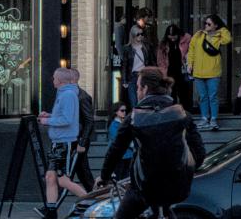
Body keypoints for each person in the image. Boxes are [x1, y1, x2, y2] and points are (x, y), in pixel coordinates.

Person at [97, 67, 205, 219]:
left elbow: (116, 151)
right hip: (177, 187)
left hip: (145, 188)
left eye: (138, 87)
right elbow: (199, 152)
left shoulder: (134, 117)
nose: (137, 92)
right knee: (165, 209)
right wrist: (184, 170)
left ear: (145, 88)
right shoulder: (181, 114)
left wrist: (104, 176)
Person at [37, 67, 82, 219]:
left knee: (63, 181)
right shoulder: (64, 93)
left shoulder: (68, 95)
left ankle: (92, 202)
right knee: (50, 177)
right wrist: (49, 115)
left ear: (60, 80)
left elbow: (67, 120)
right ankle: (51, 213)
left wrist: (47, 121)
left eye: (54, 78)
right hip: (58, 142)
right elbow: (64, 115)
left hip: (65, 142)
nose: (53, 80)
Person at [187, 14, 232, 130]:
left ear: (215, 25)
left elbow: (228, 39)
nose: (206, 26)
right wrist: (190, 64)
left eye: (209, 24)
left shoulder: (219, 36)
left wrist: (221, 29)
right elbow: (191, 50)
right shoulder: (198, 35)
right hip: (198, 72)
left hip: (213, 71)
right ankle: (204, 118)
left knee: (212, 96)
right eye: (205, 23)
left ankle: (213, 119)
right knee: (202, 96)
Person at [71, 68, 95, 193]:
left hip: (78, 139)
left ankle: (94, 197)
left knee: (80, 172)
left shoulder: (83, 97)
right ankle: (93, 196)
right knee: (81, 172)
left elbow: (89, 121)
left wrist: (82, 142)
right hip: (73, 139)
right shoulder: (70, 95)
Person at [157, 24, 192, 108]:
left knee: (184, 94)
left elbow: (191, 51)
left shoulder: (185, 40)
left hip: (182, 71)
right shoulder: (164, 44)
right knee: (171, 94)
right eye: (170, 36)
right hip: (169, 72)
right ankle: (173, 114)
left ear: (178, 34)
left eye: (174, 36)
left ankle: (186, 113)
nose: (172, 38)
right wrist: (163, 72)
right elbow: (160, 60)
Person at [121, 25, 156, 108]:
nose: (140, 36)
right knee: (133, 102)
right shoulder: (127, 49)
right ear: (133, 35)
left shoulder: (147, 47)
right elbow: (125, 66)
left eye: (142, 34)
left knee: (144, 101)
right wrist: (124, 80)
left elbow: (152, 62)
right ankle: (136, 119)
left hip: (144, 76)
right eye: (138, 34)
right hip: (132, 77)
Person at [106, 104, 134, 181]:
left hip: (128, 155)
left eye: (125, 110)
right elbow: (118, 139)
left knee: (126, 179)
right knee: (119, 179)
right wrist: (132, 144)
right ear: (116, 112)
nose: (124, 112)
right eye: (122, 110)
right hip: (120, 156)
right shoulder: (114, 125)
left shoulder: (125, 123)